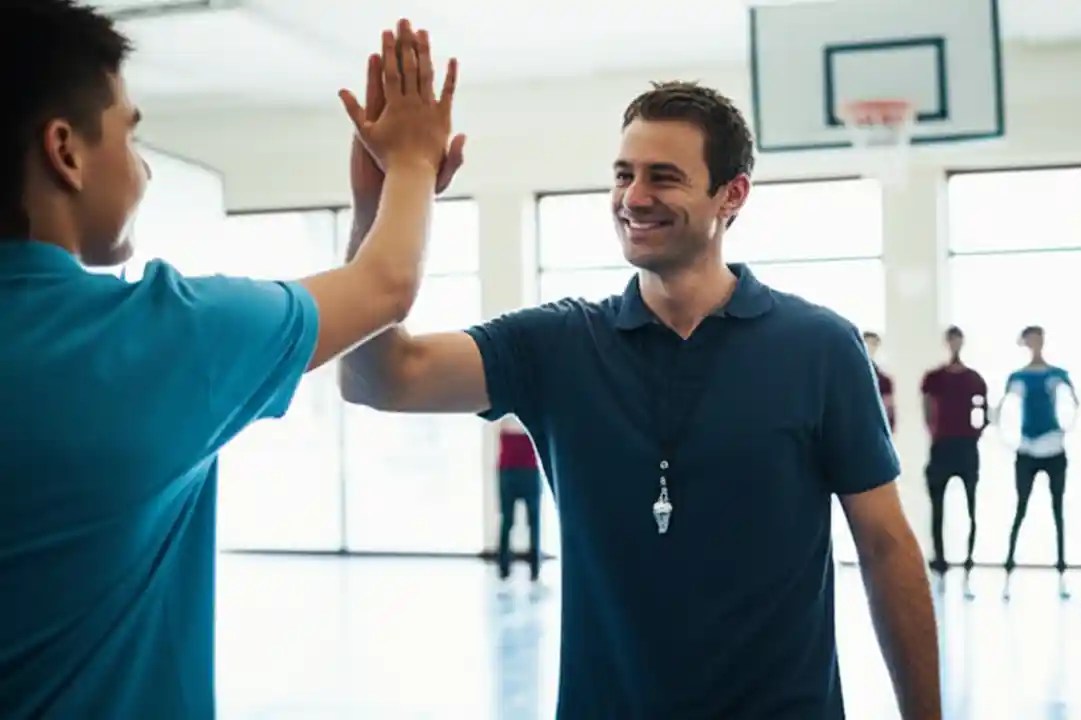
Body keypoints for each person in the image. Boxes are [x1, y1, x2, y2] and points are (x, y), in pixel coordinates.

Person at [341, 82, 941, 718]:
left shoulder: (820, 347)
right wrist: (380, 204)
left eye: (664, 177)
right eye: (623, 174)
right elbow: (379, 377)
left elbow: (885, 547)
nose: (633, 198)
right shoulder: (559, 344)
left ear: (731, 196)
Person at [0, 6, 464, 716]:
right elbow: (386, 284)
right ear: (65, 152)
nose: (144, 166)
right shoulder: (163, 338)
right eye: (131, 133)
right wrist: (411, 161)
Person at [996, 325, 1078, 574]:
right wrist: (1007, 439)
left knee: (1058, 510)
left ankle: (1062, 564)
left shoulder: (1058, 374)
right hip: (1027, 448)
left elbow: (1075, 403)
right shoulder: (1017, 377)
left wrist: (1065, 430)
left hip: (1053, 447)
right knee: (1021, 507)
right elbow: (1001, 410)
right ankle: (1009, 563)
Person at [920, 326, 988, 573]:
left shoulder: (974, 378)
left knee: (971, 506)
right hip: (942, 446)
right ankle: (939, 558)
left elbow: (982, 410)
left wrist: (975, 433)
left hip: (966, 447)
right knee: (937, 507)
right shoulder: (934, 377)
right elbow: (927, 407)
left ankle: (969, 557)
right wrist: (934, 431)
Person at [496, 415, 543, 583]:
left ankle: (505, 567)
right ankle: (533, 568)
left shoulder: (505, 416)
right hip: (524, 471)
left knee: (509, 521)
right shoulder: (532, 413)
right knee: (530, 522)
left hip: (512, 471)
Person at [864, 330, 896, 431]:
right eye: (867, 343)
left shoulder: (884, 381)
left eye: (873, 344)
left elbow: (889, 409)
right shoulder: (851, 376)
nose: (869, 347)